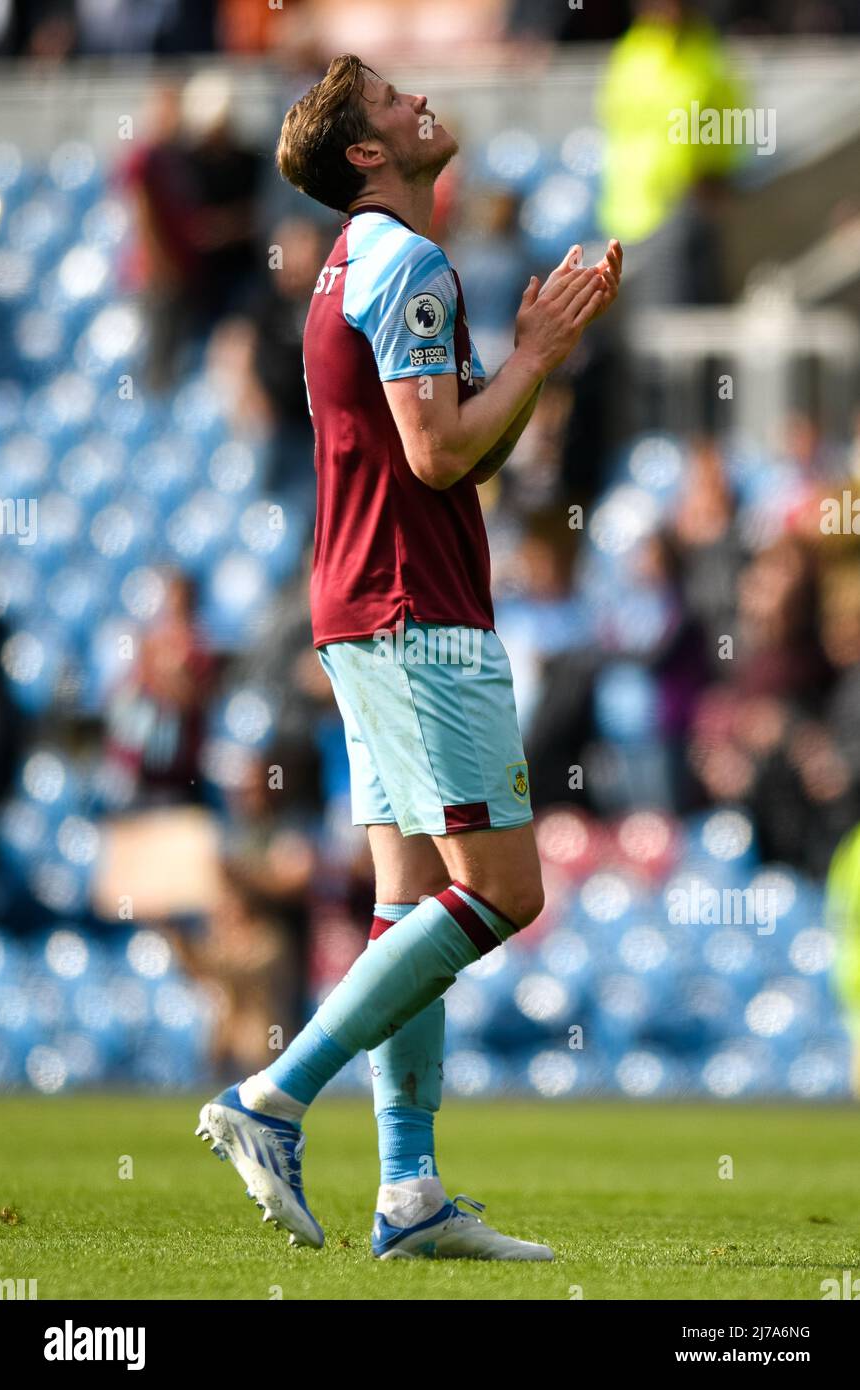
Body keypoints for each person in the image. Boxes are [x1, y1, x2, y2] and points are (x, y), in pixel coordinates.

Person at [196, 53, 622, 1260]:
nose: (418, 100)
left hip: (362, 606)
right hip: (412, 611)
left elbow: (453, 450)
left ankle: (409, 1191)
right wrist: (534, 357)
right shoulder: (409, 264)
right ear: (367, 153)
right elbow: (440, 457)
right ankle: (273, 1095)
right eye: (391, 101)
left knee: (403, 901)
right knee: (502, 890)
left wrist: (531, 355)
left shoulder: (353, 264)